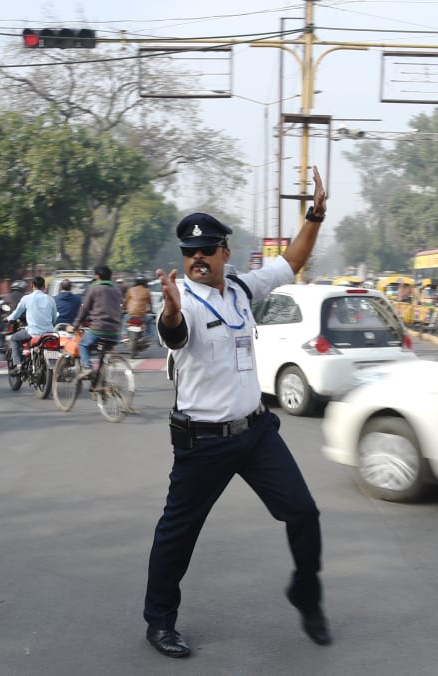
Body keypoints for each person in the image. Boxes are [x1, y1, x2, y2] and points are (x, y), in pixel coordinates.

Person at [143, 166, 329, 659]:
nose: (197, 258)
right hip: (204, 441)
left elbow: (292, 261)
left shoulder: (243, 290)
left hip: (256, 434)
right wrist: (170, 312)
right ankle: (159, 622)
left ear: (225, 253)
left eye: (206, 250)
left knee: (304, 512)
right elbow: (173, 333)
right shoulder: (181, 299)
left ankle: (305, 592)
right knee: (177, 535)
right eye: (189, 252)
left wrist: (314, 216)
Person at [73, 266, 123, 377]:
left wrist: (75, 325)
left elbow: (84, 308)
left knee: (82, 344)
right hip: (115, 332)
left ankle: (87, 367)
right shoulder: (117, 290)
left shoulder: (94, 288)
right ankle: (101, 383)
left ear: (97, 276)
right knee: (103, 353)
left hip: (98, 330)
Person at [5, 277, 57, 372]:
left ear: (32, 286)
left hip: (33, 332)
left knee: (14, 339)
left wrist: (8, 319)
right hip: (48, 333)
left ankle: (18, 364)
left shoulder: (27, 298)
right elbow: (54, 318)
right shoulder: (51, 299)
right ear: (44, 286)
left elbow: (16, 313)